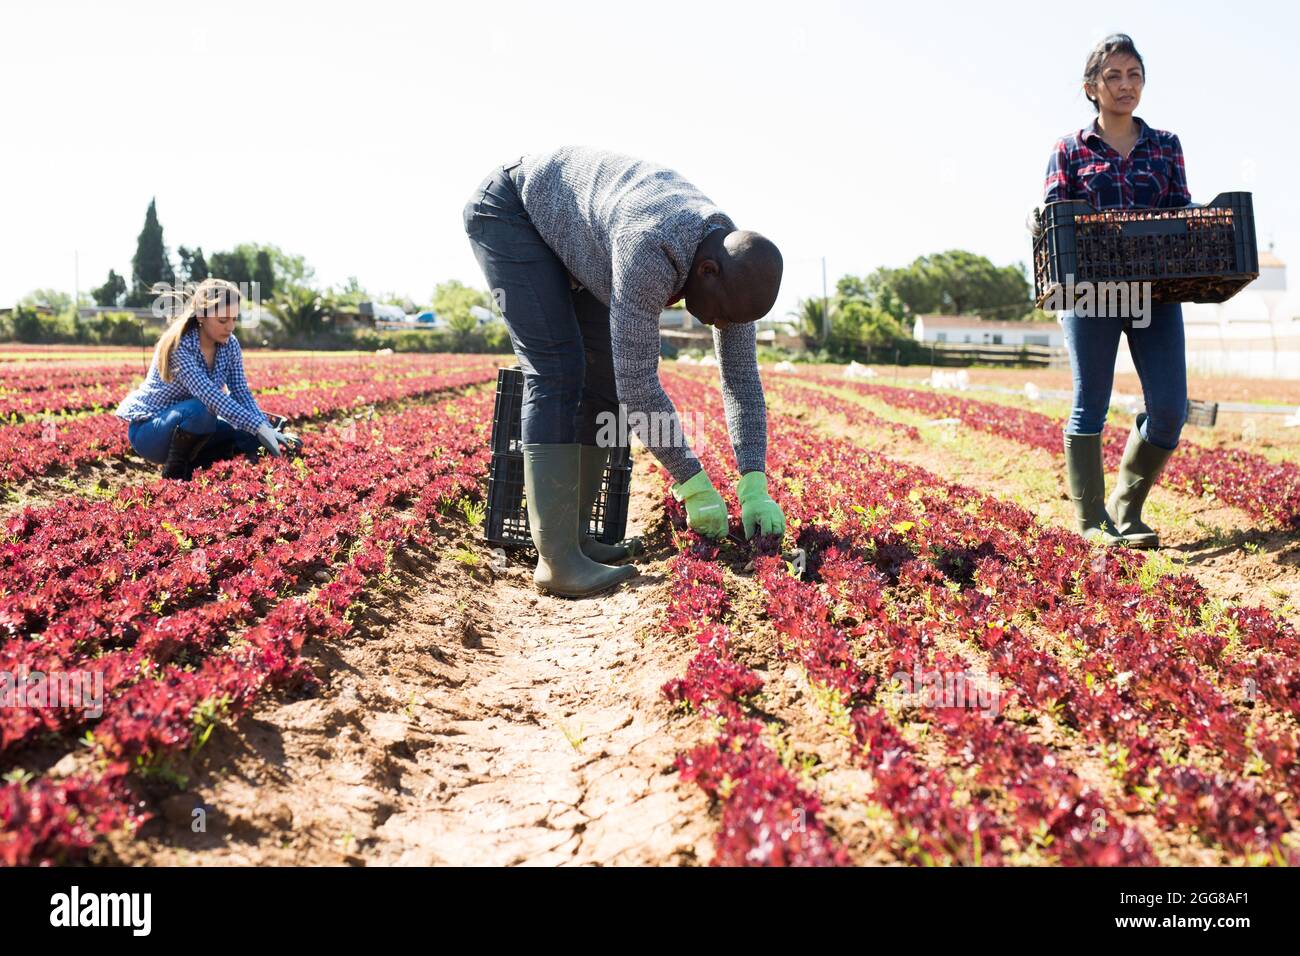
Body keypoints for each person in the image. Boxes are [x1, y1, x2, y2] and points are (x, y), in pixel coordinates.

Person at [464, 146, 787, 598]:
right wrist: (692, 481)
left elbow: (741, 382)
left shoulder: (734, 264)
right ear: (708, 271)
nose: (720, 326)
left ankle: (579, 536)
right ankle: (557, 560)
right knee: (558, 367)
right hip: (513, 212)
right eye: (721, 317)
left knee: (602, 378)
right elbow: (639, 387)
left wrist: (754, 480)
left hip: (583, 231)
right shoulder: (650, 250)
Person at [1043, 33, 1191, 549]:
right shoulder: (1069, 150)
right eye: (1114, 76)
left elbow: (1180, 218)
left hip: (1155, 292)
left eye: (1134, 75)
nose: (1125, 85)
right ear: (1092, 87)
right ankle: (1090, 522)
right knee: (1091, 404)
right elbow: (1058, 225)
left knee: (1172, 407)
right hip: (1092, 294)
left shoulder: (1165, 146)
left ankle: (1126, 508)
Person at [114, 278, 293, 480]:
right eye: (223, 320)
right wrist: (259, 426)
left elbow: (240, 393)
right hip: (151, 432)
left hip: (195, 421)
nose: (231, 327)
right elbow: (211, 397)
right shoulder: (180, 345)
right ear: (201, 315)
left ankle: (191, 469)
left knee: (248, 432)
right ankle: (174, 476)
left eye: (234, 319)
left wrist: (265, 428)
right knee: (204, 410)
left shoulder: (230, 345)